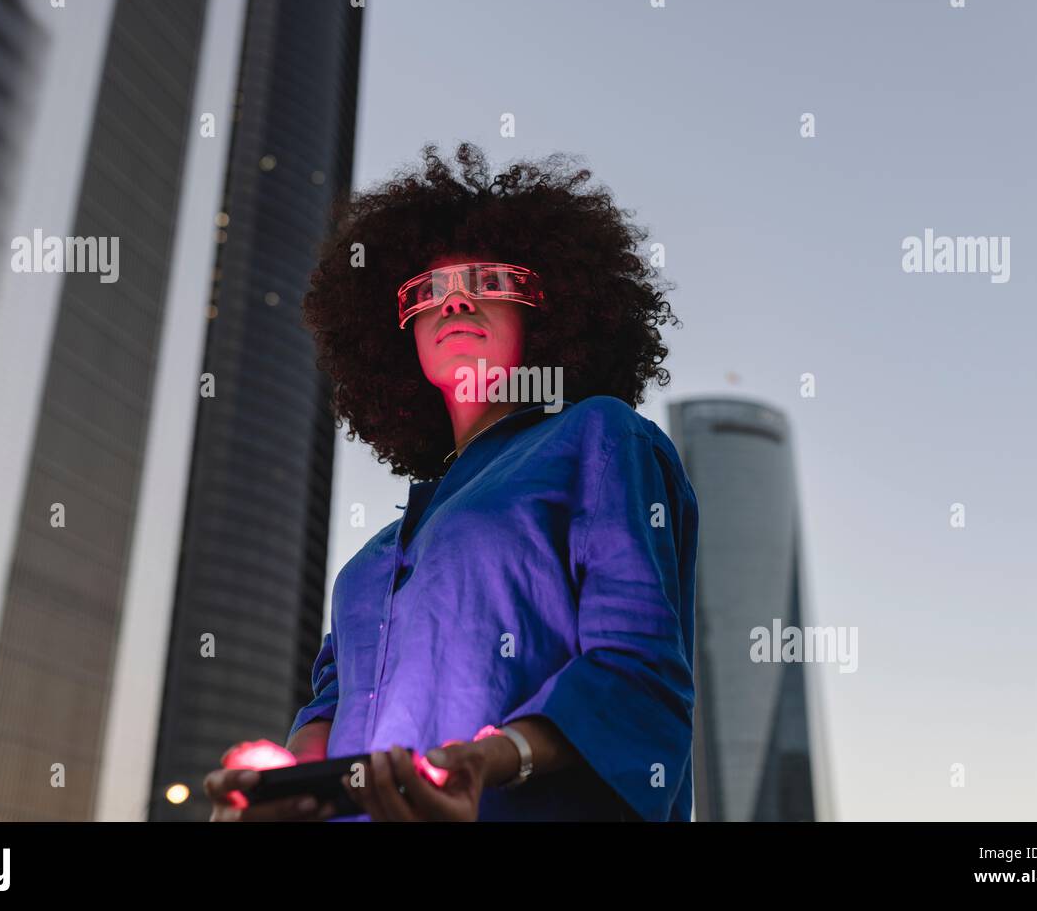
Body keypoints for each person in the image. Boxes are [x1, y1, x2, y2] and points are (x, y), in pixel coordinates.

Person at [206, 142, 698, 821]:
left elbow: (637, 672)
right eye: (429, 291)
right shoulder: (372, 560)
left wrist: (492, 762)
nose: (456, 304)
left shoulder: (600, 438)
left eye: (491, 282)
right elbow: (327, 709)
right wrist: (280, 786)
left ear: (550, 311)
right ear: (395, 331)